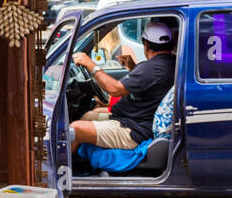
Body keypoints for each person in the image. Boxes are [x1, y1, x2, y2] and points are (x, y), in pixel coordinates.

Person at [70, 20, 177, 149]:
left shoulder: (152, 68)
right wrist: (134, 68)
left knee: (74, 129)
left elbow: (114, 89)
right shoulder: (169, 64)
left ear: (146, 44)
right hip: (134, 121)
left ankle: (59, 168)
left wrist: (91, 65)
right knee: (88, 116)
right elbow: (151, 84)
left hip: (134, 130)